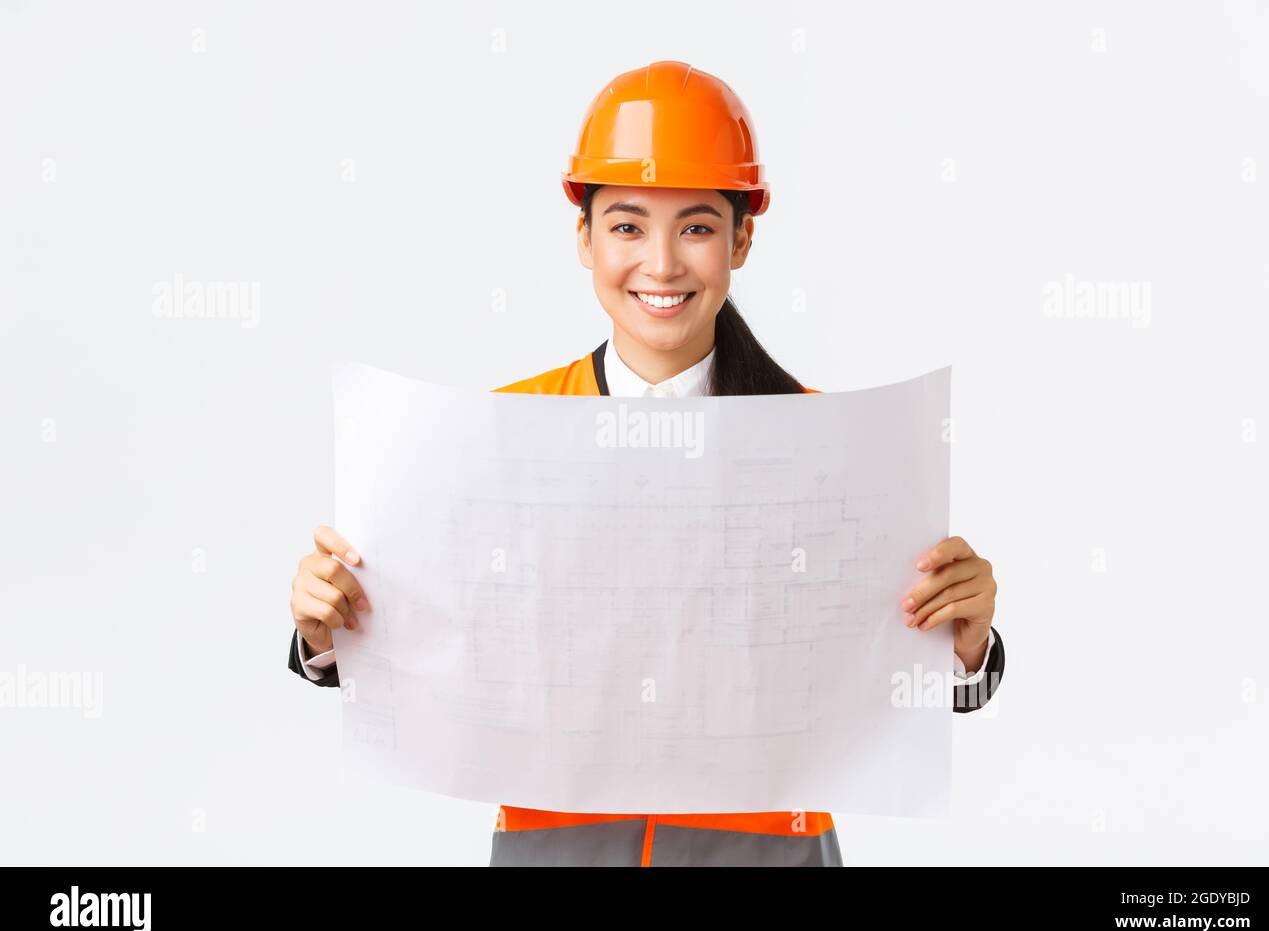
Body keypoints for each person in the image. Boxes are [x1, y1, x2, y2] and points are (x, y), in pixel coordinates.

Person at [286, 60, 1005, 866]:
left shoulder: (830, 448)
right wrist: (326, 633)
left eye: (696, 227)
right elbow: (429, 655)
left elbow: (895, 685)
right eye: (628, 226)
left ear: (742, 237)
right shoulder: (492, 438)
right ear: (584, 237)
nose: (661, 265)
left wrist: (967, 646)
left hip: (770, 852)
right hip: (556, 847)